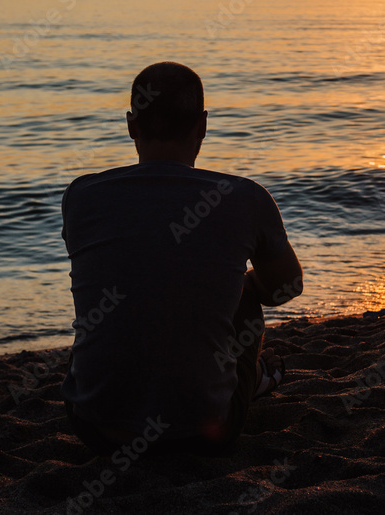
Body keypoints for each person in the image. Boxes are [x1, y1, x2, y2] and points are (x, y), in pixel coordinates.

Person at [60, 61, 303, 456]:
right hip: (203, 435)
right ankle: (254, 377)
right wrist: (240, 285)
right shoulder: (245, 197)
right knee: (244, 292)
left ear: (131, 126)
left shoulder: (81, 196)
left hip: (95, 429)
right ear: (202, 126)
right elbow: (286, 287)